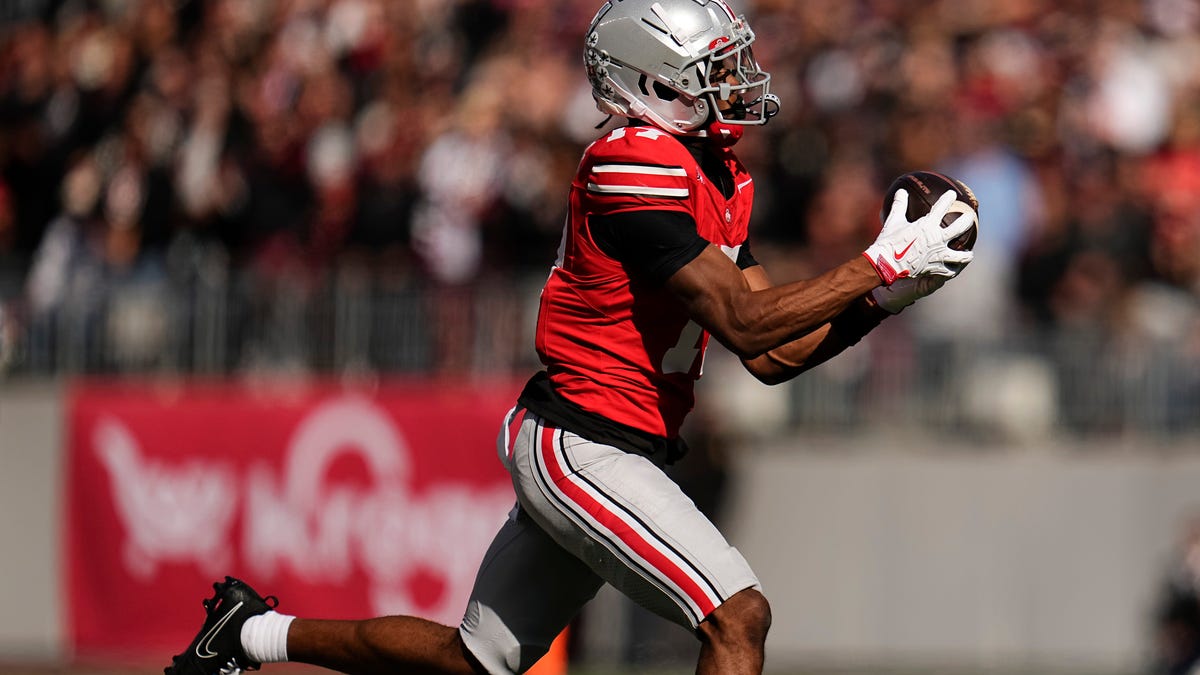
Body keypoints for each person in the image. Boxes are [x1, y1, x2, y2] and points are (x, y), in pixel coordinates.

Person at [164, 1, 975, 674]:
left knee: (475, 659)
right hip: (583, 440)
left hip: (610, 442)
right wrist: (878, 261)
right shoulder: (632, 165)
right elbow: (743, 319)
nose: (738, 81)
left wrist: (887, 297)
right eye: (716, 69)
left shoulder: (713, 173)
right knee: (738, 615)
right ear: (655, 81)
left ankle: (248, 632)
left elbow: (772, 354)